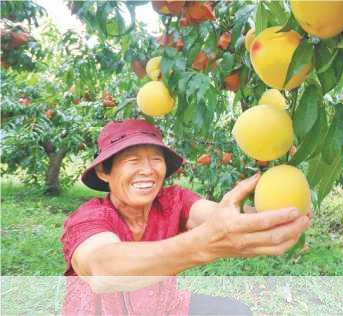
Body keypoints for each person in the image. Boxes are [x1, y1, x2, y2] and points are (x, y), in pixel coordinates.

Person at [60, 119, 312, 315]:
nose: (147, 170)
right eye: (133, 160)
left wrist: (268, 215)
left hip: (164, 308)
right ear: (105, 172)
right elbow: (103, 268)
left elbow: (217, 218)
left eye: (155, 159)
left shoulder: (171, 201)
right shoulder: (89, 218)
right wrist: (205, 245)